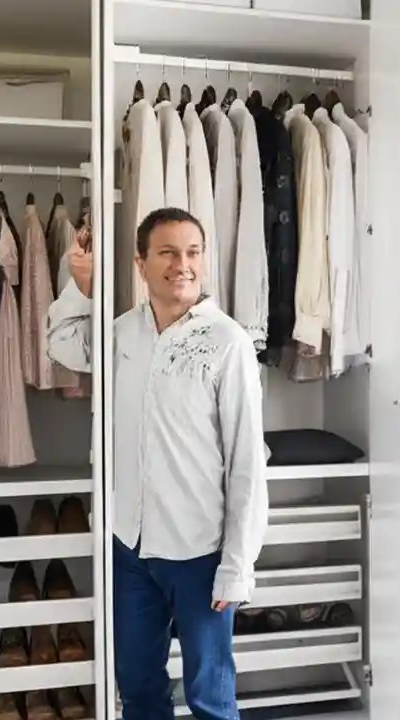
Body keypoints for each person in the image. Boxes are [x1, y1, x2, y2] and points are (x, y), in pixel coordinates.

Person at [47, 207, 268, 719]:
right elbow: (61, 345)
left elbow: (247, 464)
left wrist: (237, 568)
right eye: (167, 252)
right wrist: (81, 285)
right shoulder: (121, 333)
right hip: (131, 547)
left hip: (201, 552)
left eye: (193, 253)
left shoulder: (227, 342)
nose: (182, 265)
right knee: (140, 690)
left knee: (210, 697)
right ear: (141, 263)